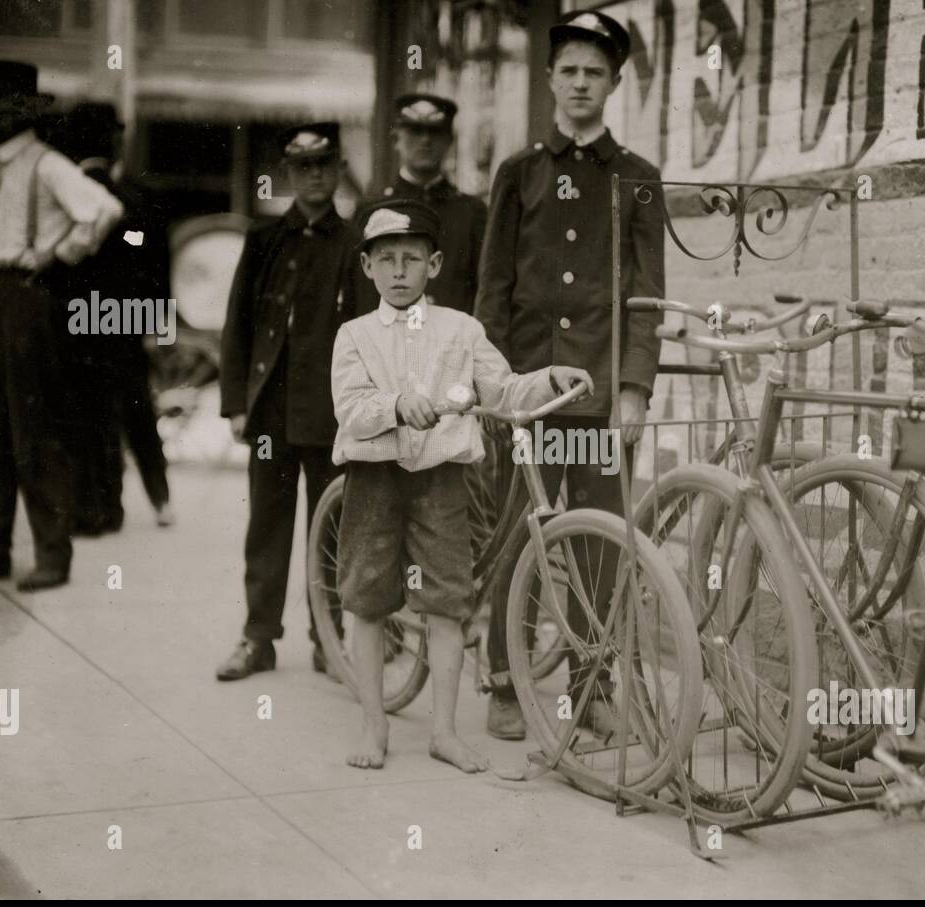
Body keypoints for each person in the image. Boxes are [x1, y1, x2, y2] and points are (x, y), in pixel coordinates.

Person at [331, 199, 591, 771]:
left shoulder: (462, 330)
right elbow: (351, 409)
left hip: (442, 481)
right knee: (368, 602)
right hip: (375, 479)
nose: (399, 271)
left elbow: (502, 390)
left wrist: (548, 377)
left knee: (448, 603)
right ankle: (374, 728)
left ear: (435, 264)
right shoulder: (353, 336)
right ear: (368, 268)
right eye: (387, 260)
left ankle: (443, 731)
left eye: (412, 259)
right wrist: (398, 405)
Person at [476, 9, 666, 741]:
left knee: (598, 543)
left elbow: (646, 296)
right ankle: (502, 677)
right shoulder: (519, 173)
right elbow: (492, 288)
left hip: (597, 401)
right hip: (526, 397)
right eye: (571, 71)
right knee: (516, 533)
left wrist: (634, 388)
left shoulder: (637, 180)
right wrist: (491, 383)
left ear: (614, 83)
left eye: (596, 72)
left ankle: (591, 685)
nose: (582, 83)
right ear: (552, 79)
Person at [0, 60, 124, 592]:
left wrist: (55, 255)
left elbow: (103, 210)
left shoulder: (46, 164)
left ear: (16, 109)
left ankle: (51, 554)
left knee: (32, 427)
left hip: (24, 297)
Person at [216, 123, 357, 681]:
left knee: (334, 528)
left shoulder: (355, 244)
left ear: (338, 167)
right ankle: (257, 639)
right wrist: (235, 403)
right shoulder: (263, 240)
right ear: (289, 173)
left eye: (324, 164)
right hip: (272, 407)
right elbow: (238, 325)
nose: (315, 175)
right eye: (303, 166)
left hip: (332, 413)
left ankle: (330, 637)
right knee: (267, 527)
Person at [49, 101, 174, 535]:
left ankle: (93, 505)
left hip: (75, 322)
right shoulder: (136, 201)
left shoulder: (65, 197)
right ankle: (158, 499)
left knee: (83, 413)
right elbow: (154, 260)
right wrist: (157, 326)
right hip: (123, 321)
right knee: (136, 411)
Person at [351, 94, 485, 315]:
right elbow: (360, 290)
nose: (425, 140)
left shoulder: (472, 212)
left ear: (450, 141)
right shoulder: (372, 209)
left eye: (435, 132)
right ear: (395, 139)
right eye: (415, 131)